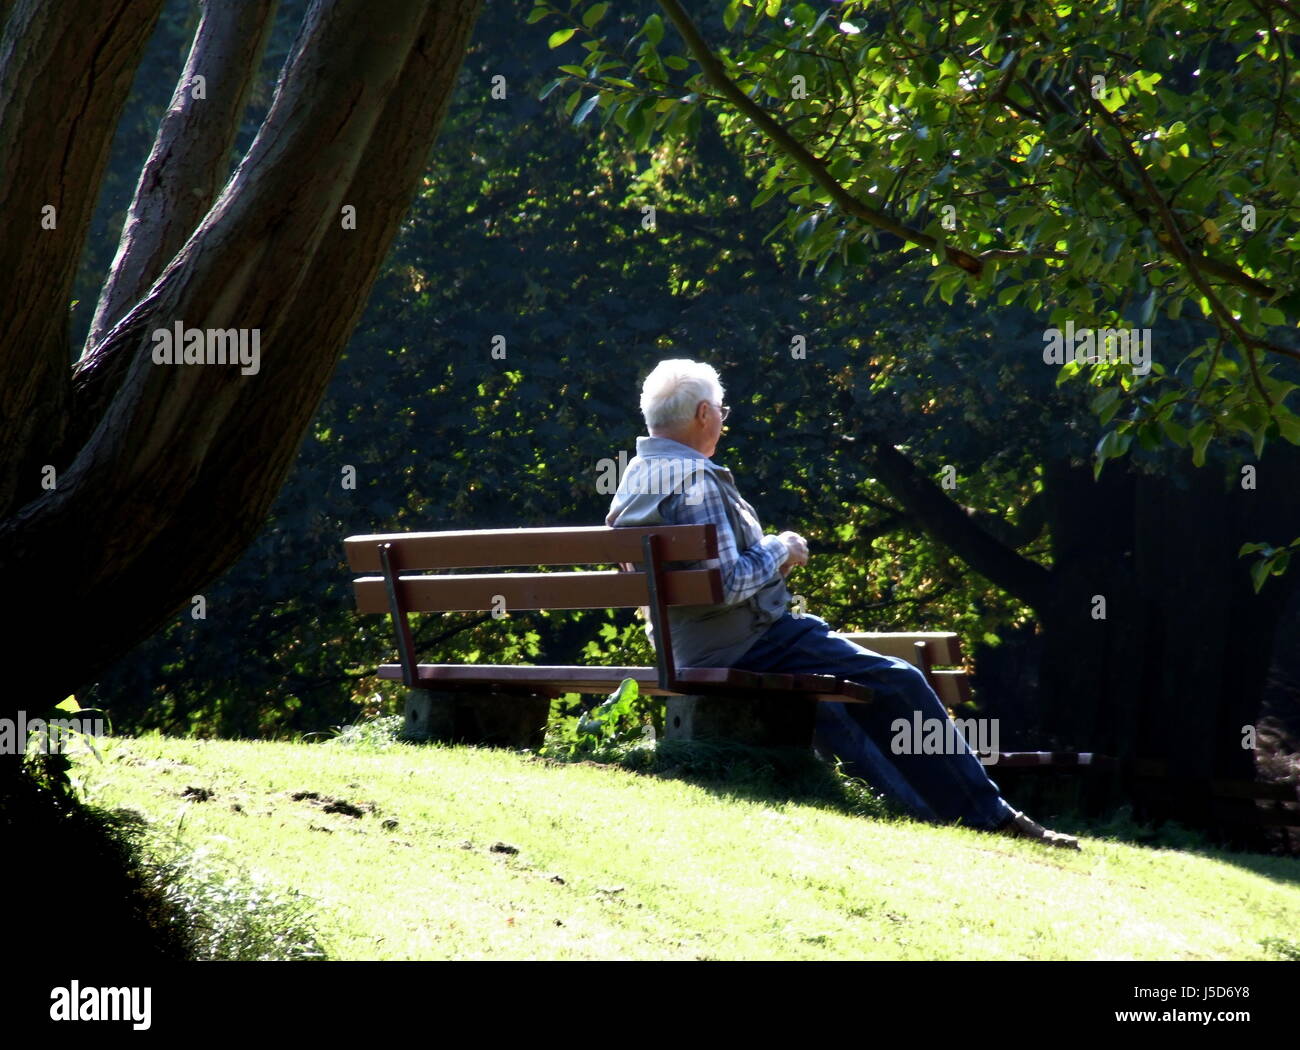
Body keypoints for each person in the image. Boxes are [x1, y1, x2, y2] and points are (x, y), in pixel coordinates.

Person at [605, 359, 1079, 850]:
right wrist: (781, 549)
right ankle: (989, 815)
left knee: (834, 705)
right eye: (723, 411)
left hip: (687, 647)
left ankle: (918, 817)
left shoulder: (635, 477)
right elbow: (726, 583)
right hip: (747, 641)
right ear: (704, 413)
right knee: (899, 679)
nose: (724, 420)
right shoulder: (696, 479)